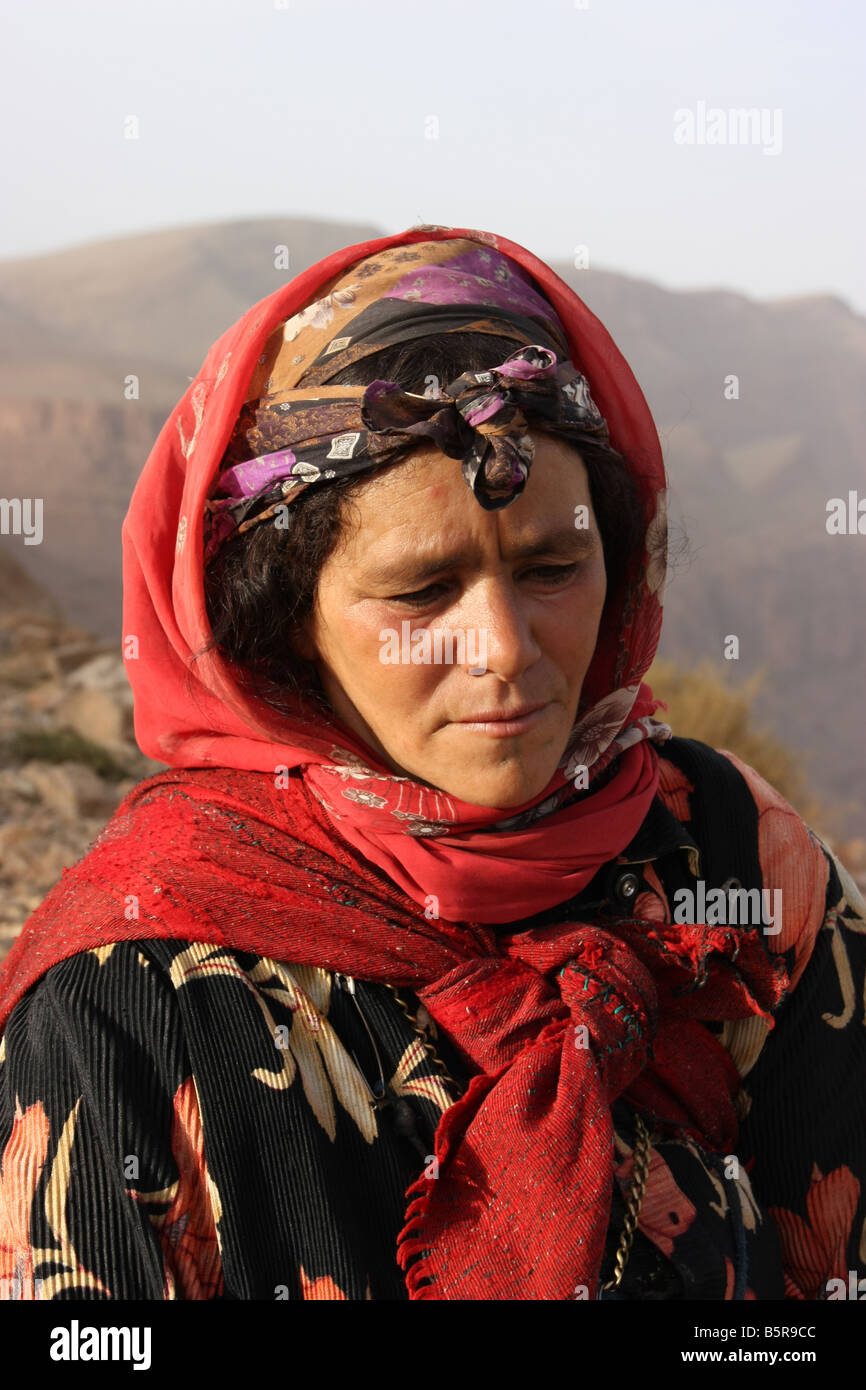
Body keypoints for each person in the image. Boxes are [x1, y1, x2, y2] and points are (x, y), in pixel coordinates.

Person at [0, 225, 863, 1302]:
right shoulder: (129, 997)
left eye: (552, 566)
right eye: (419, 592)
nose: (504, 649)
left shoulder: (742, 864)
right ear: (283, 619)